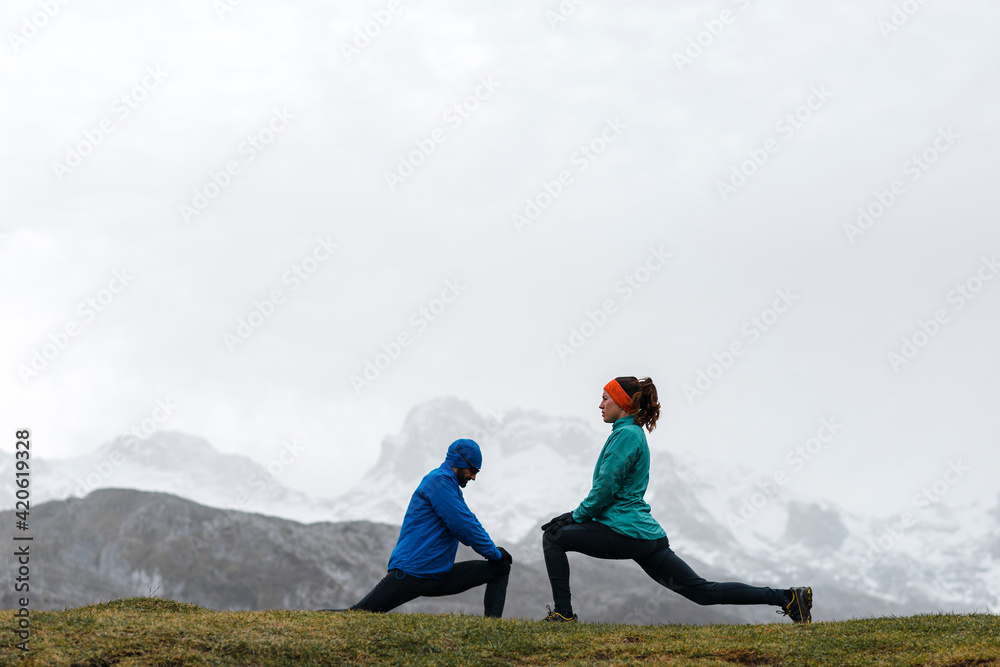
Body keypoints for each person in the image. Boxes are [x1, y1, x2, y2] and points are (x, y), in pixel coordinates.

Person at [540, 376, 812, 624]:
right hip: (646, 536)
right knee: (703, 592)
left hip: (624, 531)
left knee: (554, 537)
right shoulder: (631, 433)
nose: (600, 405)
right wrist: (577, 515)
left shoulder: (626, 435)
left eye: (605, 398)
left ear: (621, 402)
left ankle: (564, 614)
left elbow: (605, 487)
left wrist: (576, 516)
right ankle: (787, 598)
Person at [343, 438, 513, 617]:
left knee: (500, 568)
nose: (473, 477)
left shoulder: (450, 487)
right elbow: (464, 526)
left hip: (437, 575)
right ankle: (319, 621)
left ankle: (492, 627)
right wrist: (494, 553)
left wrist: (496, 553)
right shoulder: (438, 481)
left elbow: (469, 520)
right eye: (473, 470)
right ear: (460, 462)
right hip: (411, 573)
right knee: (358, 614)